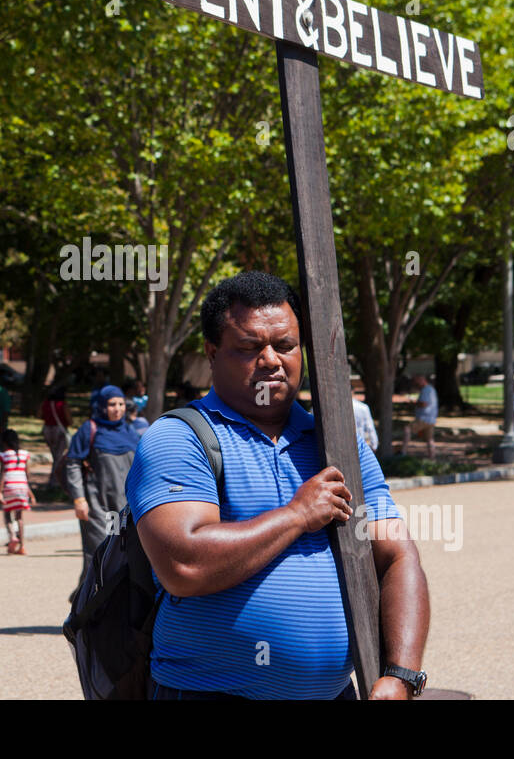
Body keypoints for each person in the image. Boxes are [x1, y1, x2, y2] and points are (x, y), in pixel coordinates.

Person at [126, 271, 429, 699]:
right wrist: (297, 515)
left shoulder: (340, 446)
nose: (270, 359)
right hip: (206, 692)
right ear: (212, 353)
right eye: (250, 348)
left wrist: (402, 675)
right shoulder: (180, 438)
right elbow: (184, 566)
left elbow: (397, 556)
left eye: (285, 345)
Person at [65, 384, 141, 587]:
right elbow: (72, 463)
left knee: (121, 556)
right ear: (101, 406)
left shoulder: (130, 432)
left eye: (121, 404)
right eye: (111, 404)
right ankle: (84, 606)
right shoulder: (90, 429)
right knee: (98, 554)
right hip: (98, 505)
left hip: (124, 508)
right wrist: (79, 498)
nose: (117, 409)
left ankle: (108, 609)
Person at [0, 429, 38, 555]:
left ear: (4, 442)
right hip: (22, 487)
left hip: (9, 486)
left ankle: (12, 537)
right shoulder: (24, 454)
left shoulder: (4, 455)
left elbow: (3, 474)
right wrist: (31, 494)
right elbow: (27, 475)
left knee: (7, 514)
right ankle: (22, 545)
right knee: (19, 517)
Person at [39, 385, 71, 488]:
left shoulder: (46, 403)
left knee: (55, 456)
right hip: (59, 431)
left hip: (48, 430)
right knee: (58, 457)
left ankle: (54, 480)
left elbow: (39, 415)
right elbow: (69, 420)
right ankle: (55, 481)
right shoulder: (62, 404)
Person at [402, 374, 437, 458]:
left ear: (422, 380)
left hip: (424, 418)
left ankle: (403, 452)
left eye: (417, 381)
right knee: (429, 439)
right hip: (431, 419)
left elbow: (423, 404)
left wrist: (413, 403)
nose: (416, 383)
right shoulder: (430, 389)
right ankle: (432, 457)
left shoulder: (426, 390)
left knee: (407, 429)